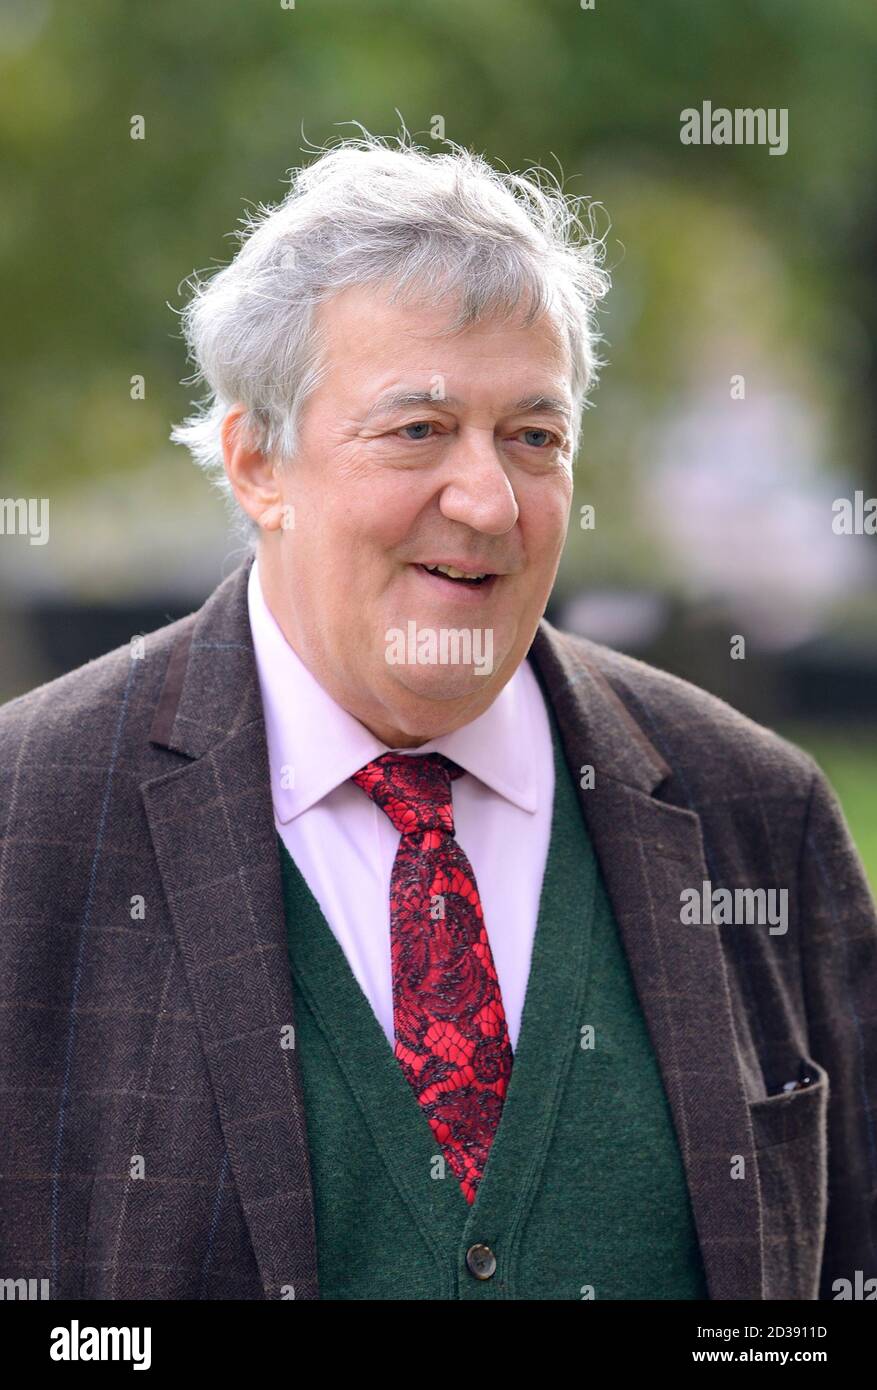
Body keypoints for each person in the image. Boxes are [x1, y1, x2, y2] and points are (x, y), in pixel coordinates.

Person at [1, 133, 874, 1301]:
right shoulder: (27, 821)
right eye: (417, 429)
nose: (487, 499)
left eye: (534, 437)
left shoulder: (754, 809)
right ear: (259, 462)